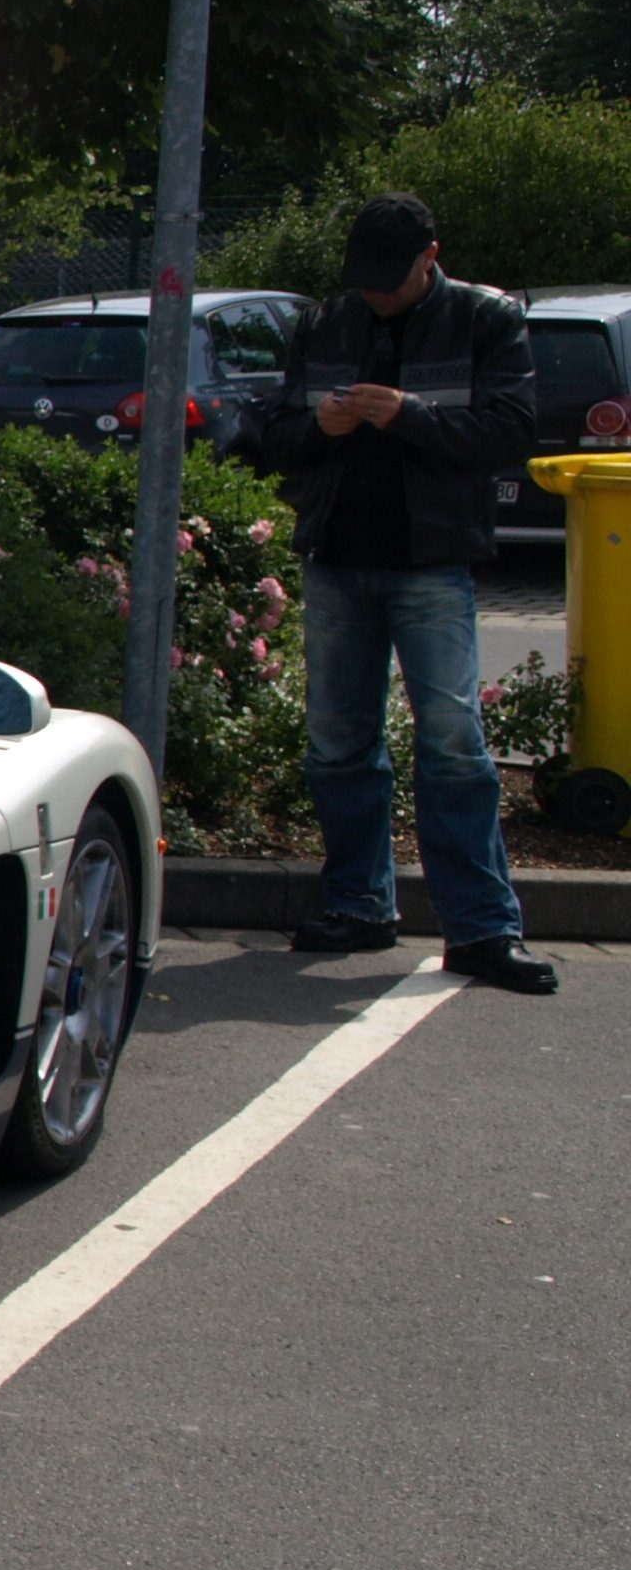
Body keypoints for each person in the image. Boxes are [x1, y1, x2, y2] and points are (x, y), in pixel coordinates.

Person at [258, 192, 557, 993]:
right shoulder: (328, 321)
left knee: (454, 739)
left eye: (390, 279)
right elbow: (270, 436)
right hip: (337, 555)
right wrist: (316, 428)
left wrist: (408, 416)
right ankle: (359, 906)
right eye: (365, 280)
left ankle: (483, 931)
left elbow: (510, 433)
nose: (376, 294)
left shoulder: (485, 319)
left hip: (431, 560)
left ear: (432, 256)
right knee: (338, 739)